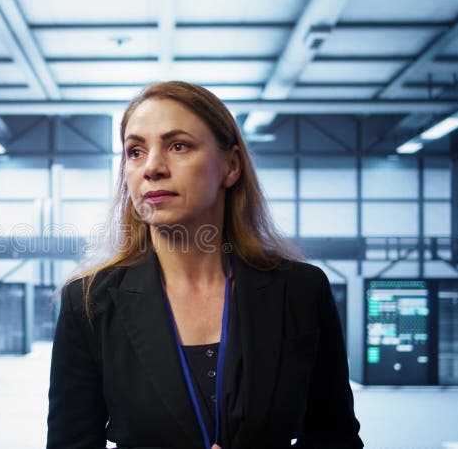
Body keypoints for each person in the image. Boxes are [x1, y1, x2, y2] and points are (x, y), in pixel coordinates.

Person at [46, 81, 362, 449]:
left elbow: (334, 437)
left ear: (231, 166)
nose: (152, 168)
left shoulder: (300, 291)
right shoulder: (88, 302)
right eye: (135, 151)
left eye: (178, 146)